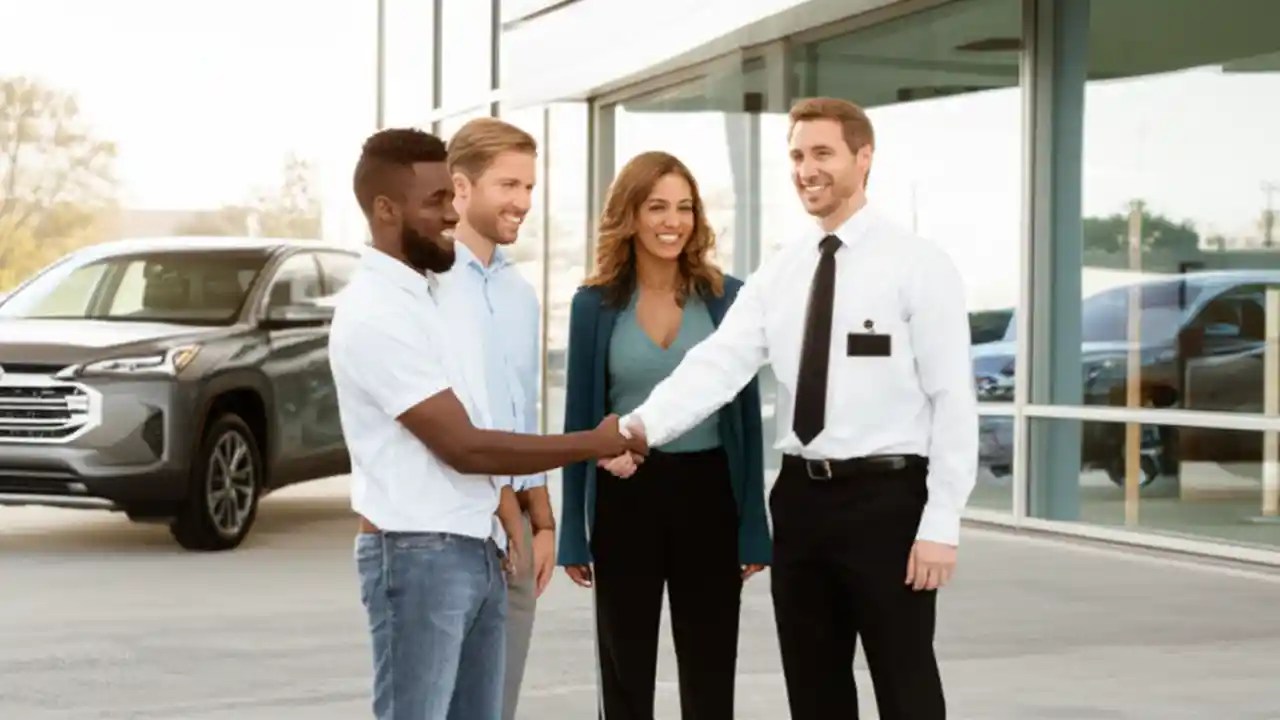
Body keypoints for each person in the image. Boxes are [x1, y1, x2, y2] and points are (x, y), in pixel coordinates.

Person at [607, 98, 979, 719]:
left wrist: (942, 521)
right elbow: (716, 366)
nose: (807, 169)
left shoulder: (918, 265)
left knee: (905, 679)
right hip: (803, 503)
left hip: (888, 503)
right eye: (798, 156)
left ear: (864, 158)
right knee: (813, 687)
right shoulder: (781, 270)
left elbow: (953, 399)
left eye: (822, 153)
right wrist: (638, 427)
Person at [328, 127, 645, 720]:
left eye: (450, 197)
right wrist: (594, 443)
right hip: (416, 551)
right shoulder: (376, 311)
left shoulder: (429, 296)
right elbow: (465, 446)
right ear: (385, 210)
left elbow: (501, 409)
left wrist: (527, 512)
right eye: (437, 201)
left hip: (475, 544)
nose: (451, 214)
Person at [559, 150, 771, 720]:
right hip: (626, 494)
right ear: (629, 214)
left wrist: (754, 527)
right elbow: (580, 418)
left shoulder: (729, 297)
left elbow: (746, 425)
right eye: (656, 207)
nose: (672, 221)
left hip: (711, 494)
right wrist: (573, 534)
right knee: (625, 668)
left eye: (683, 208)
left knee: (709, 666)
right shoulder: (593, 305)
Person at [442, 117, 555, 720]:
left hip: (516, 532)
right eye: (509, 185)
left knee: (497, 706)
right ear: (461, 188)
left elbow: (522, 411)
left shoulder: (518, 292)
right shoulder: (430, 287)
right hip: (455, 528)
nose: (523, 203)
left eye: (530, 188)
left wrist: (542, 519)